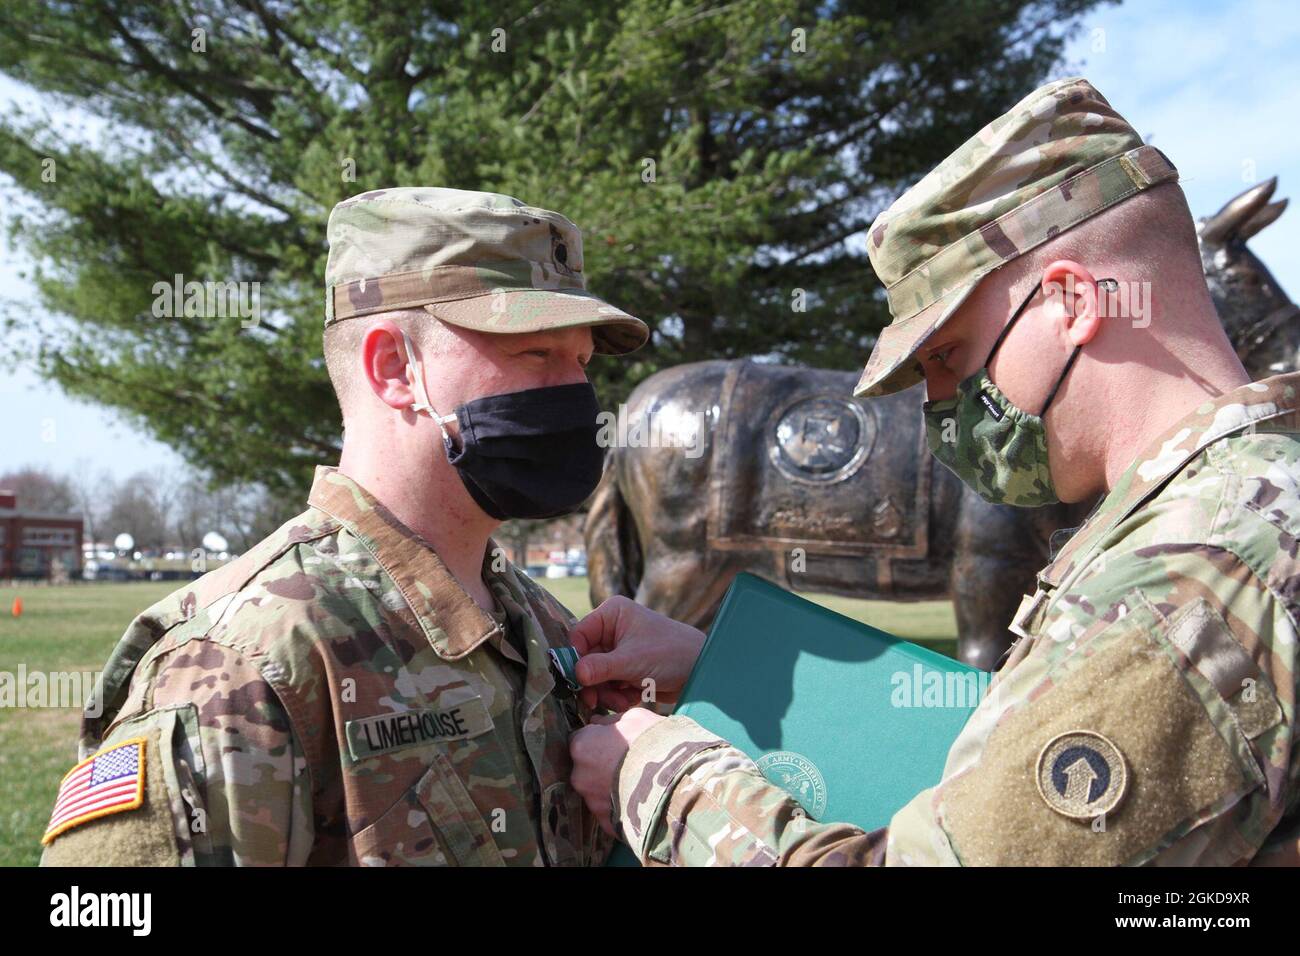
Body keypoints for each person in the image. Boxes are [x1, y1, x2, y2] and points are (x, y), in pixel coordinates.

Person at [567, 77, 1300, 866]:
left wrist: (659, 783)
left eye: (947, 357)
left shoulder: (1184, 581)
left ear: (1070, 305)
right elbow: (1011, 767)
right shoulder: (1232, 507)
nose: (938, 404)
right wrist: (728, 671)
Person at [40, 186, 647, 866]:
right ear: (395, 369)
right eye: (537, 354)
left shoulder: (548, 631)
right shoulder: (239, 663)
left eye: (583, 363)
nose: (576, 394)